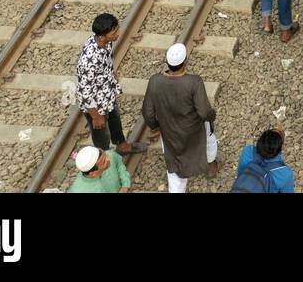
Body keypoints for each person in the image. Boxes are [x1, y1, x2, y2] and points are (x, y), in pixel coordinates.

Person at [140, 42, 217, 194]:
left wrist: (156, 126)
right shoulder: (194, 82)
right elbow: (204, 112)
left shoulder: (155, 81)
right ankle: (210, 165)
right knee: (209, 140)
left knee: (174, 162)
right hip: (194, 129)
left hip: (169, 130)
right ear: (185, 62)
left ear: (168, 63)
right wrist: (211, 116)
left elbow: (147, 112)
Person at [76, 12, 148, 159]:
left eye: (117, 29)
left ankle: (122, 146)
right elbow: (84, 92)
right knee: (101, 135)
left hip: (107, 94)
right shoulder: (89, 61)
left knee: (115, 120)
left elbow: (104, 64)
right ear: (102, 36)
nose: (117, 34)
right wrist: (95, 116)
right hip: (95, 105)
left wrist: (110, 75)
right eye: (114, 32)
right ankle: (104, 160)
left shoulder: (105, 42)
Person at [67, 145, 132, 193]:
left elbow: (119, 165)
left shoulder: (110, 154)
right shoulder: (77, 190)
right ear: (93, 173)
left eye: (105, 155)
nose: (108, 159)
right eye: (103, 162)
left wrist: (125, 185)